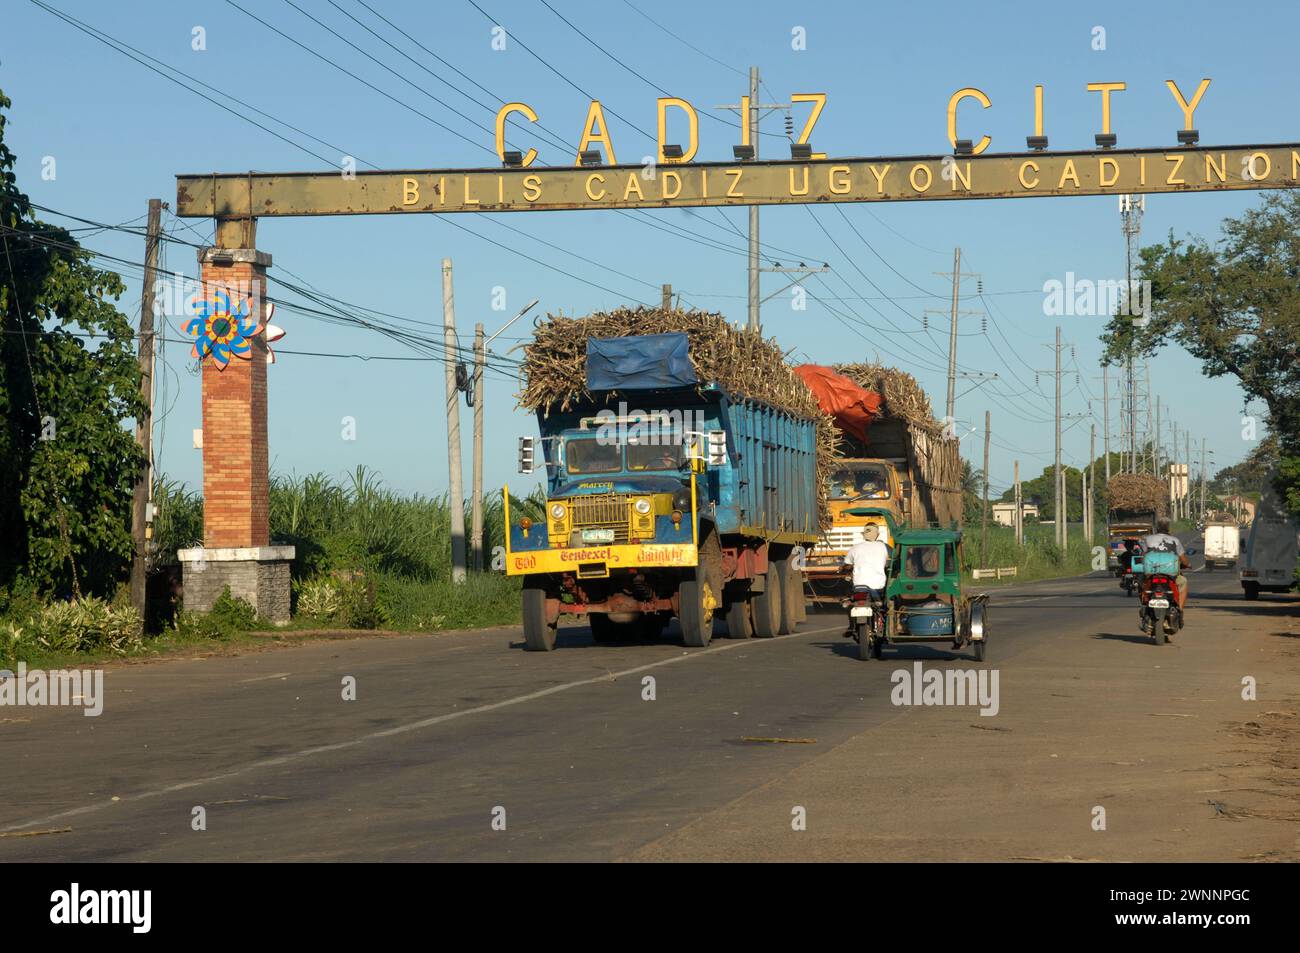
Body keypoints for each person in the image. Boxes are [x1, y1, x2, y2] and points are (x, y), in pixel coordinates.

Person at [1142, 517, 1190, 609]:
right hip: (1170, 575)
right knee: (1183, 582)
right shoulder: (1175, 540)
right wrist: (1188, 565)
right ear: (1169, 528)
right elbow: (1183, 559)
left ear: (1156, 528)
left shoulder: (1148, 539)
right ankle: (1180, 609)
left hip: (1150, 573)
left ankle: (1144, 604)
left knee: (1141, 582)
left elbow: (1143, 556)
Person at [842, 523, 891, 602]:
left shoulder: (855, 548)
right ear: (877, 535)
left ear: (864, 535)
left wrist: (844, 568)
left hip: (859, 587)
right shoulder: (884, 546)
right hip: (878, 587)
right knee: (884, 604)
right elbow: (896, 557)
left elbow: (848, 564)